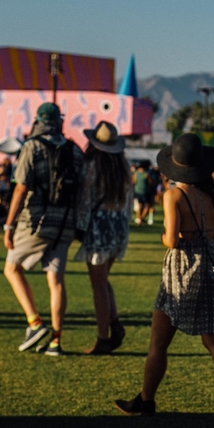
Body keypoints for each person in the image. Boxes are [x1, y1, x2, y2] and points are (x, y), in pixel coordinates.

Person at [115, 133, 214, 423]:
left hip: (179, 271)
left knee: (159, 343)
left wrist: (163, 236)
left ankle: (146, 400)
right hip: (209, 267)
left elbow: (172, 240)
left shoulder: (174, 196)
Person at [3, 103, 92, 356]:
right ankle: (55, 341)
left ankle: (34, 323)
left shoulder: (32, 147)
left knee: (11, 268)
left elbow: (21, 188)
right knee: (56, 279)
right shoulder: (74, 150)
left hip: (37, 221)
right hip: (65, 223)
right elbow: (83, 189)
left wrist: (9, 225)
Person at [77, 122, 131, 354]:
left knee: (98, 285)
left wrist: (79, 227)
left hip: (98, 227)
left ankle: (103, 337)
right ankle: (114, 324)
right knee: (103, 280)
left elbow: (85, 199)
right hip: (118, 226)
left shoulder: (92, 166)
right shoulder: (123, 167)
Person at [133, 160, 155, 225]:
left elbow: (133, 182)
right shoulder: (146, 174)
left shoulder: (135, 173)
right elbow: (150, 182)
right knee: (147, 206)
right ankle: (142, 218)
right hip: (145, 191)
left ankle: (139, 218)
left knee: (139, 205)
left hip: (137, 191)